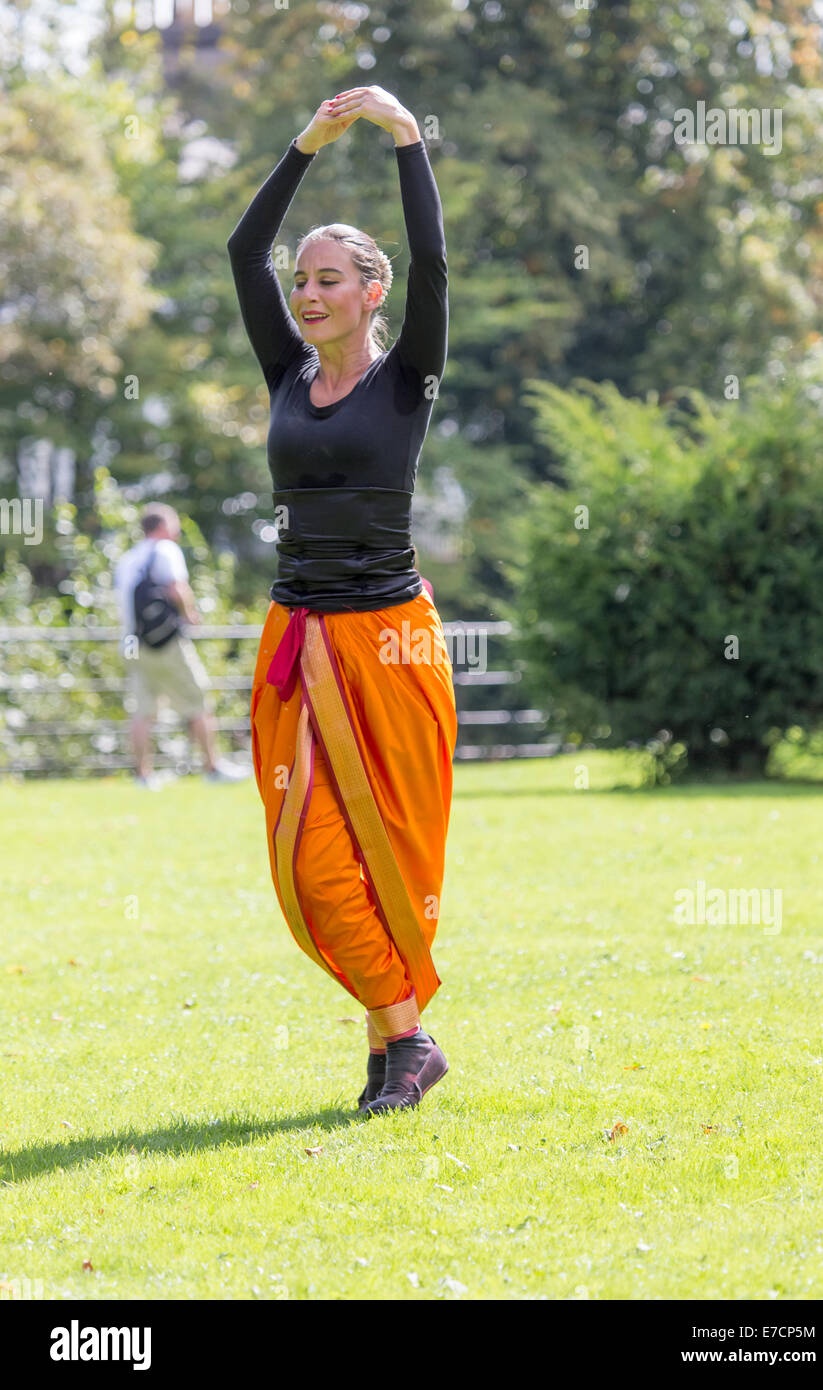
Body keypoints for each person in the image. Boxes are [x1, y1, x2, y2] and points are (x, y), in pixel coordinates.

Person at [227, 85, 457, 1116]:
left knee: (384, 852)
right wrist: (303, 143)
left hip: (390, 642)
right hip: (296, 633)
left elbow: (436, 263)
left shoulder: (407, 377)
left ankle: (391, 1049)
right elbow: (242, 251)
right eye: (302, 280)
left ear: (373, 292)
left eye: (329, 279)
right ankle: (406, 1038)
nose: (307, 293)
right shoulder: (284, 370)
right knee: (309, 861)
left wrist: (407, 139)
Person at [114, 503, 249, 787]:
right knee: (198, 700)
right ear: (163, 526)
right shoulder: (166, 550)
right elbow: (178, 587)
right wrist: (191, 616)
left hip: (131, 642)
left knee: (142, 710)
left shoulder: (128, 558)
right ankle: (212, 768)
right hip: (164, 642)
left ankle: (143, 776)